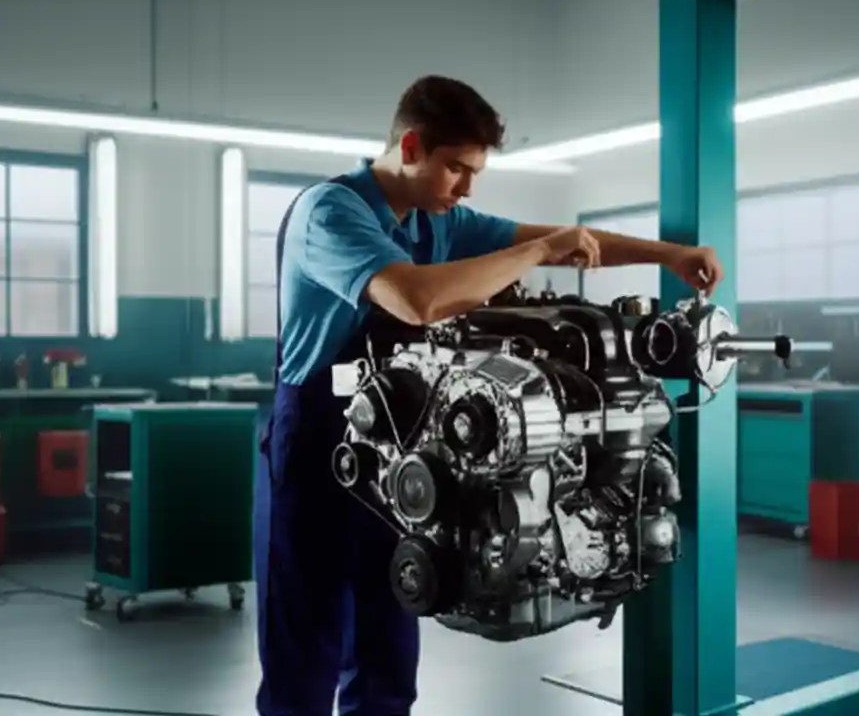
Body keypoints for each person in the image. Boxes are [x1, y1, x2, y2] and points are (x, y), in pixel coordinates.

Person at [254, 74, 725, 716]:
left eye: (474, 173)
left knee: (390, 641)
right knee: (305, 648)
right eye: (457, 169)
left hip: (400, 450)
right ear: (412, 146)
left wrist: (670, 254)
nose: (466, 187)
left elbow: (574, 242)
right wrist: (539, 251)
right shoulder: (331, 213)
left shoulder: (435, 221)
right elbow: (415, 299)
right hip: (318, 444)